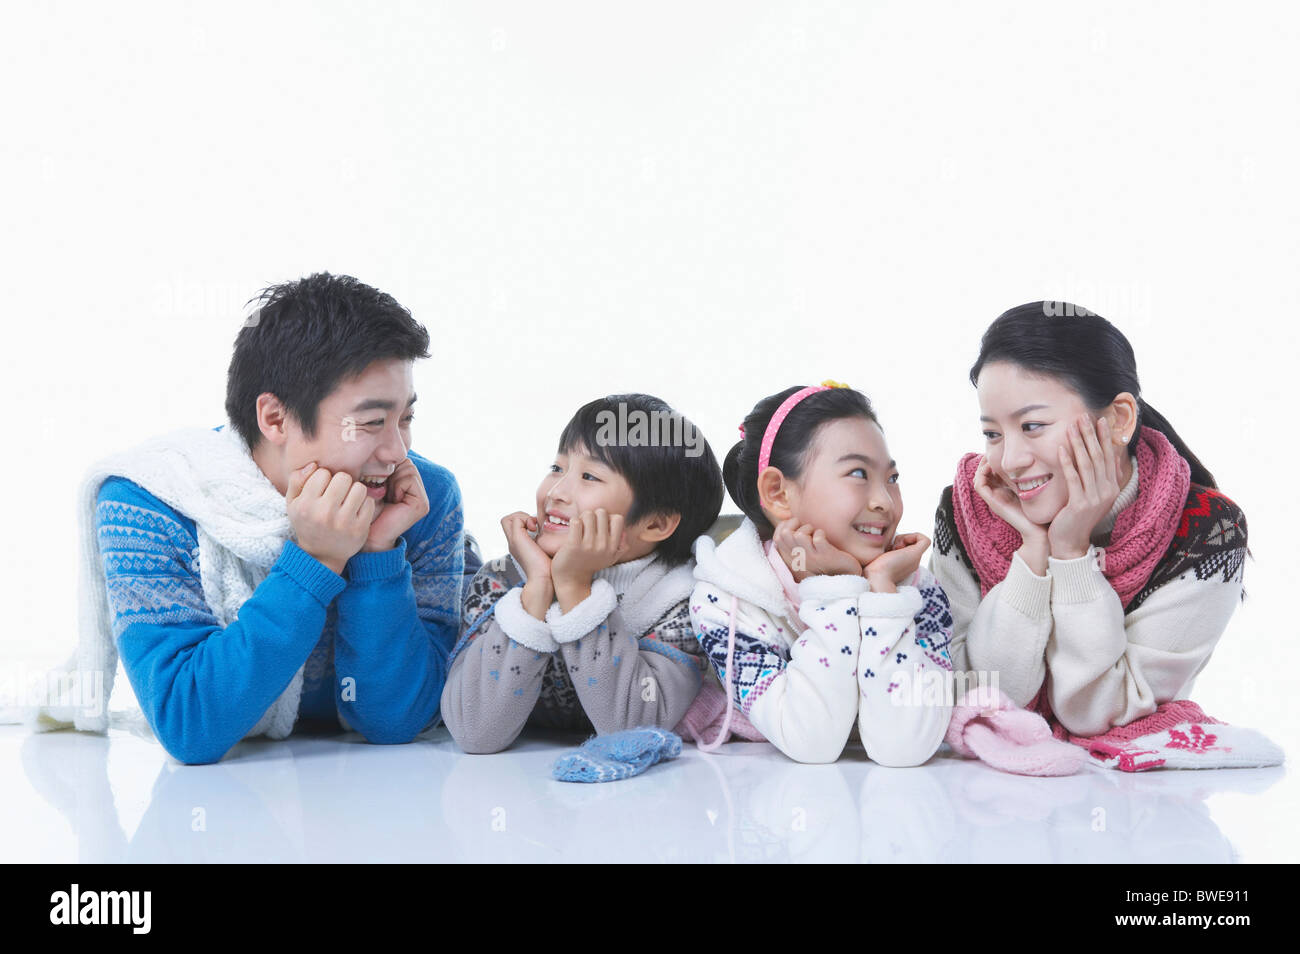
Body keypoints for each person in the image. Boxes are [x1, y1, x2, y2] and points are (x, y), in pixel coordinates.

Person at [44, 272, 465, 764]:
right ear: (275, 418)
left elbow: (395, 720)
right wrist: (315, 561)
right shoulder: (149, 502)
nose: (397, 451)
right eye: (371, 423)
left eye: (406, 418)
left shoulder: (419, 500)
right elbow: (189, 725)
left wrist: (378, 556)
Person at [931, 301, 1249, 737]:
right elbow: (984, 695)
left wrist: (1072, 553)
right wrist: (1033, 553)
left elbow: (1099, 711)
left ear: (1118, 419)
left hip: (1128, 802)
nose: (1010, 460)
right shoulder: (968, 510)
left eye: (1033, 425)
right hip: (980, 794)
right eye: (992, 434)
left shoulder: (1207, 532)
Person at [688, 382, 954, 766]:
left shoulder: (916, 591)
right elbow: (811, 743)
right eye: (859, 473)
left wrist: (881, 593)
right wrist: (834, 590)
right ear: (778, 493)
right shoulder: (725, 599)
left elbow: (905, 747)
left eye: (891, 478)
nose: (884, 502)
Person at [441, 393, 724, 754]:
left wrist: (576, 586)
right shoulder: (501, 580)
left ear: (655, 523)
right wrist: (538, 588)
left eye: (589, 476)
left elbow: (631, 731)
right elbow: (474, 732)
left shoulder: (681, 599)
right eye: (557, 468)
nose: (556, 492)